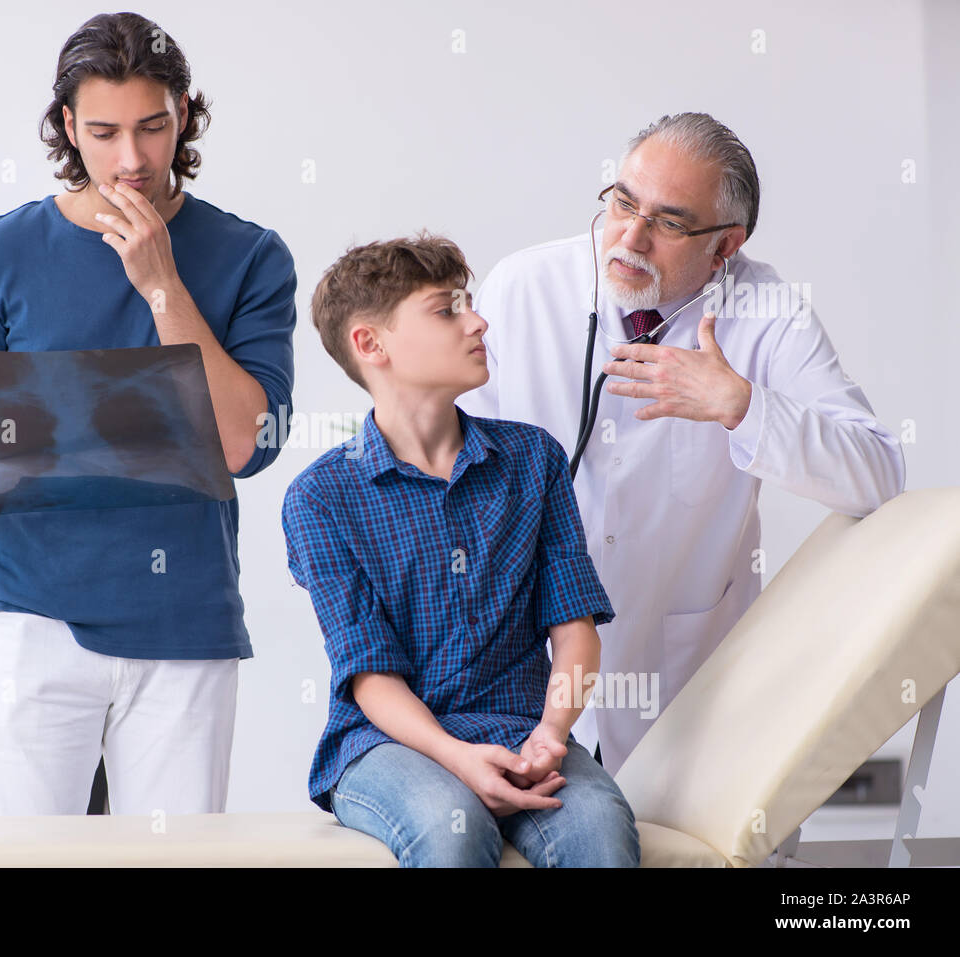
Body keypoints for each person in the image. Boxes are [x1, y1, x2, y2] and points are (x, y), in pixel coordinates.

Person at [0, 12, 296, 816]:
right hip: (29, 615)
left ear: (183, 113)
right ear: (66, 128)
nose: (132, 159)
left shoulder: (252, 256)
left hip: (184, 625)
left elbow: (246, 443)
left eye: (153, 126)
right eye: (105, 131)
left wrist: (161, 283)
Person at [457, 112, 906, 773]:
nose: (630, 236)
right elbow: (456, 472)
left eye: (668, 222)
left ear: (725, 246)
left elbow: (878, 474)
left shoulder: (766, 313)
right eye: (622, 202)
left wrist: (742, 406)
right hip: (527, 669)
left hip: (686, 680)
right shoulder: (524, 289)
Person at [281, 232, 640, 867]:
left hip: (523, 728)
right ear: (371, 344)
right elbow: (371, 678)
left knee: (601, 836)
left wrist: (550, 740)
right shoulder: (321, 498)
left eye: (467, 303)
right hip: (384, 745)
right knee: (452, 832)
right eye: (446, 309)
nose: (477, 321)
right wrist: (459, 762)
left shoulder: (532, 459)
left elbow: (576, 632)